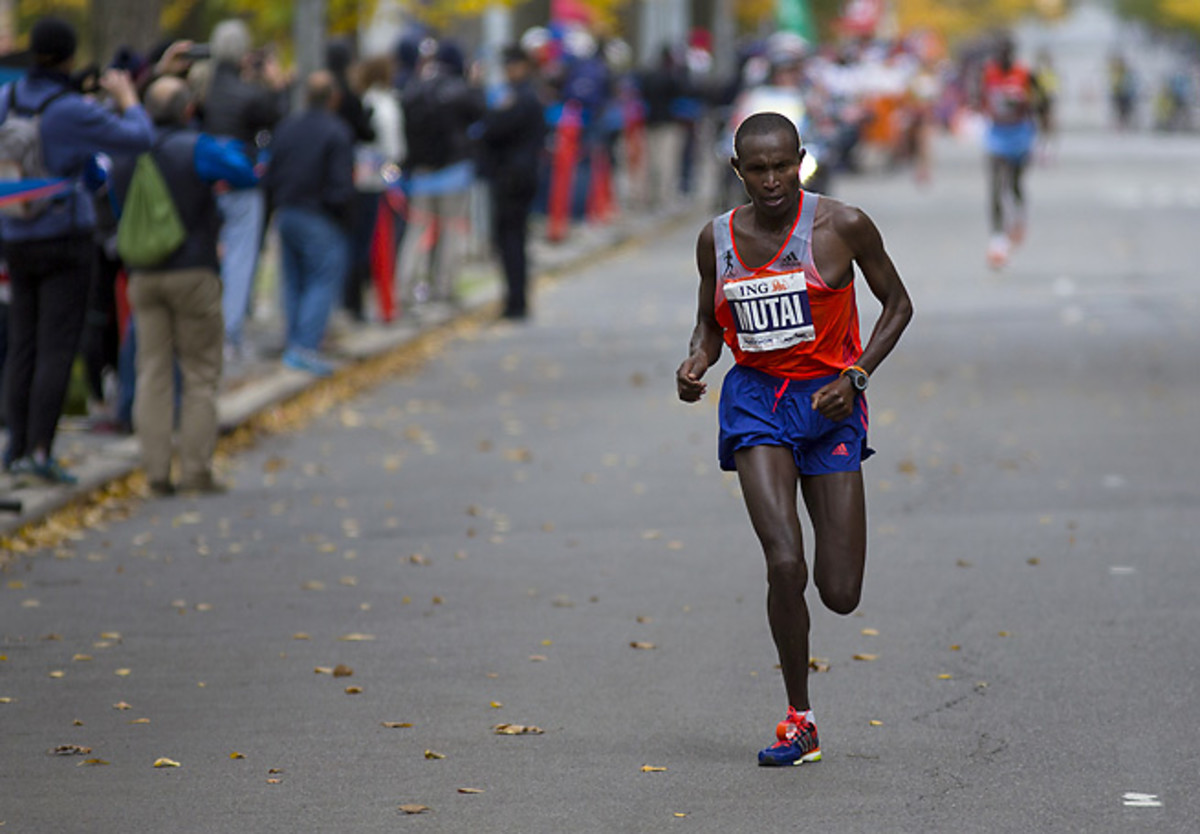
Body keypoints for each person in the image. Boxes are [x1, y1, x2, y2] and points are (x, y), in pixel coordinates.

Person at [675, 112, 912, 767]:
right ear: (738, 171)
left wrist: (856, 376)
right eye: (758, 169)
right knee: (784, 561)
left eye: (783, 165)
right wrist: (697, 361)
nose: (773, 180)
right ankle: (799, 719)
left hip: (830, 405)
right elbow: (709, 323)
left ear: (801, 160)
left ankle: (806, 692)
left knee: (840, 592)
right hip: (756, 405)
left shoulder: (843, 226)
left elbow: (898, 305)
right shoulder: (717, 239)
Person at [0, 17, 153, 485]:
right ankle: (40, 450)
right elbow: (139, 138)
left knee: (22, 341)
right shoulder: (68, 109)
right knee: (57, 344)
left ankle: (15, 446)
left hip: (15, 232)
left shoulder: (7, 98)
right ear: (69, 57)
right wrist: (128, 99)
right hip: (64, 235)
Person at [111, 76, 257, 497]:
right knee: (200, 373)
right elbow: (244, 174)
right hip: (193, 269)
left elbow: (115, 204)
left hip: (143, 273)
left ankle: (155, 473)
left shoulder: (125, 153)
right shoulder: (196, 147)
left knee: (152, 372)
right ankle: (196, 471)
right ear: (188, 109)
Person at [201, 18, 286, 363]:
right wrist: (276, 84)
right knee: (239, 259)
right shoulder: (250, 94)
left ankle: (208, 331)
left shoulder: (203, 87)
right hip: (240, 183)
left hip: (204, 181)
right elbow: (276, 117)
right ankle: (229, 334)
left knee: (208, 261)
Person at [264, 71, 353, 377]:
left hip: (287, 210)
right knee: (322, 279)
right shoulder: (336, 131)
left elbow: (272, 170)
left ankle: (294, 341)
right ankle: (304, 346)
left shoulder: (287, 127)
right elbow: (341, 183)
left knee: (293, 280)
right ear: (334, 98)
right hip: (319, 214)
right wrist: (341, 212)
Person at [397, 40, 485, 312]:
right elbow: (481, 114)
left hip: (422, 172)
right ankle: (444, 286)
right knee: (451, 230)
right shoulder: (459, 90)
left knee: (417, 231)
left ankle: (405, 287)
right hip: (453, 171)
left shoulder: (414, 88)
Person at [480, 45, 545, 320]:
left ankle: (516, 301)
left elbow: (494, 129)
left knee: (510, 239)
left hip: (512, 176)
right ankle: (516, 298)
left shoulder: (518, 98)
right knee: (513, 239)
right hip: (519, 174)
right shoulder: (528, 95)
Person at [980, 35, 1039, 270]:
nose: (1002, 55)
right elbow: (979, 96)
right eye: (998, 51)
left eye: (1005, 51)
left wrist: (1022, 102)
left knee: (1014, 183)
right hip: (997, 134)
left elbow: (1038, 100)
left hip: (1019, 134)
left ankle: (1018, 217)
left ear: (1012, 53)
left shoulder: (1024, 73)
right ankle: (997, 240)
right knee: (995, 185)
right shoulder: (988, 73)